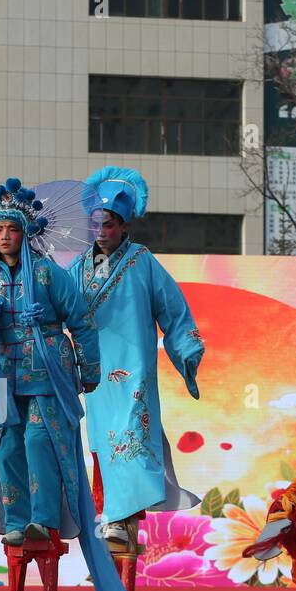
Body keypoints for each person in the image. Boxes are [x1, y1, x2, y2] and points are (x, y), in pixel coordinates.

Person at [0, 175, 146, 591]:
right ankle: (17, 521)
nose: (3, 237)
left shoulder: (47, 275)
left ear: (25, 232)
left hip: (46, 368)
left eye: (11, 229)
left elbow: (79, 317)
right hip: (3, 373)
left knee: (41, 441)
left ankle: (43, 521)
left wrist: (88, 364)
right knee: (9, 446)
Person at [70, 166, 204, 542]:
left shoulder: (143, 261)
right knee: (100, 437)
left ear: (125, 226)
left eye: (109, 223)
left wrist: (186, 347)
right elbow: (57, 304)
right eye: (96, 221)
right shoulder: (76, 268)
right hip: (94, 371)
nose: (101, 229)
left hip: (133, 370)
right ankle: (110, 510)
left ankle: (120, 514)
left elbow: (173, 310)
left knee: (129, 430)